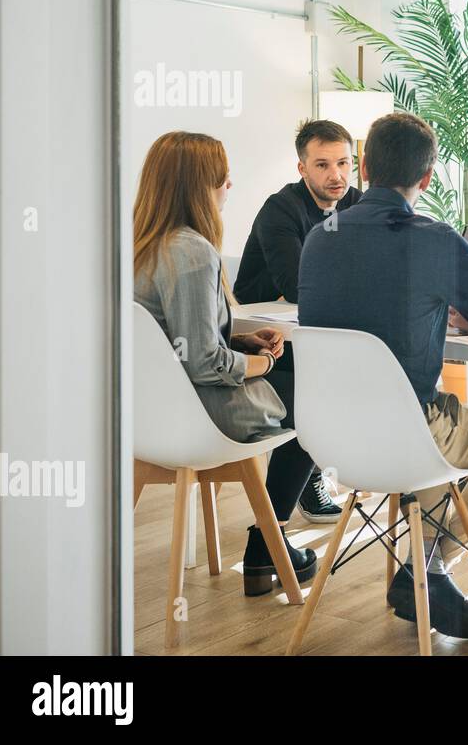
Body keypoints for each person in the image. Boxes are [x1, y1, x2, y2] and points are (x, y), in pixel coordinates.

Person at [297, 112, 468, 641]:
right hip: (410, 436)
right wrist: (458, 303)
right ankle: (426, 567)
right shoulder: (433, 238)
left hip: (331, 439)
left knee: (432, 418)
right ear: (426, 179)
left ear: (362, 165)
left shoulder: (319, 237)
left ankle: (424, 570)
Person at [133, 131, 318, 597]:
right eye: (222, 176)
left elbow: (172, 337)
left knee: (305, 390)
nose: (229, 185)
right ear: (200, 186)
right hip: (201, 414)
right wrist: (262, 365)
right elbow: (202, 361)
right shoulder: (192, 250)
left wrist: (240, 337)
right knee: (319, 400)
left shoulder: (141, 247)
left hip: (146, 418)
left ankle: (267, 546)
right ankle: (267, 547)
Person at [234, 119, 364, 524]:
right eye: (323, 165)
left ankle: (288, 506)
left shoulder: (357, 202)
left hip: (315, 324)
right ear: (302, 168)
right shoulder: (281, 209)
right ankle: (281, 515)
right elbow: (295, 285)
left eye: (343, 163)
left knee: (349, 375)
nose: (336, 175)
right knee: (316, 393)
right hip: (268, 333)